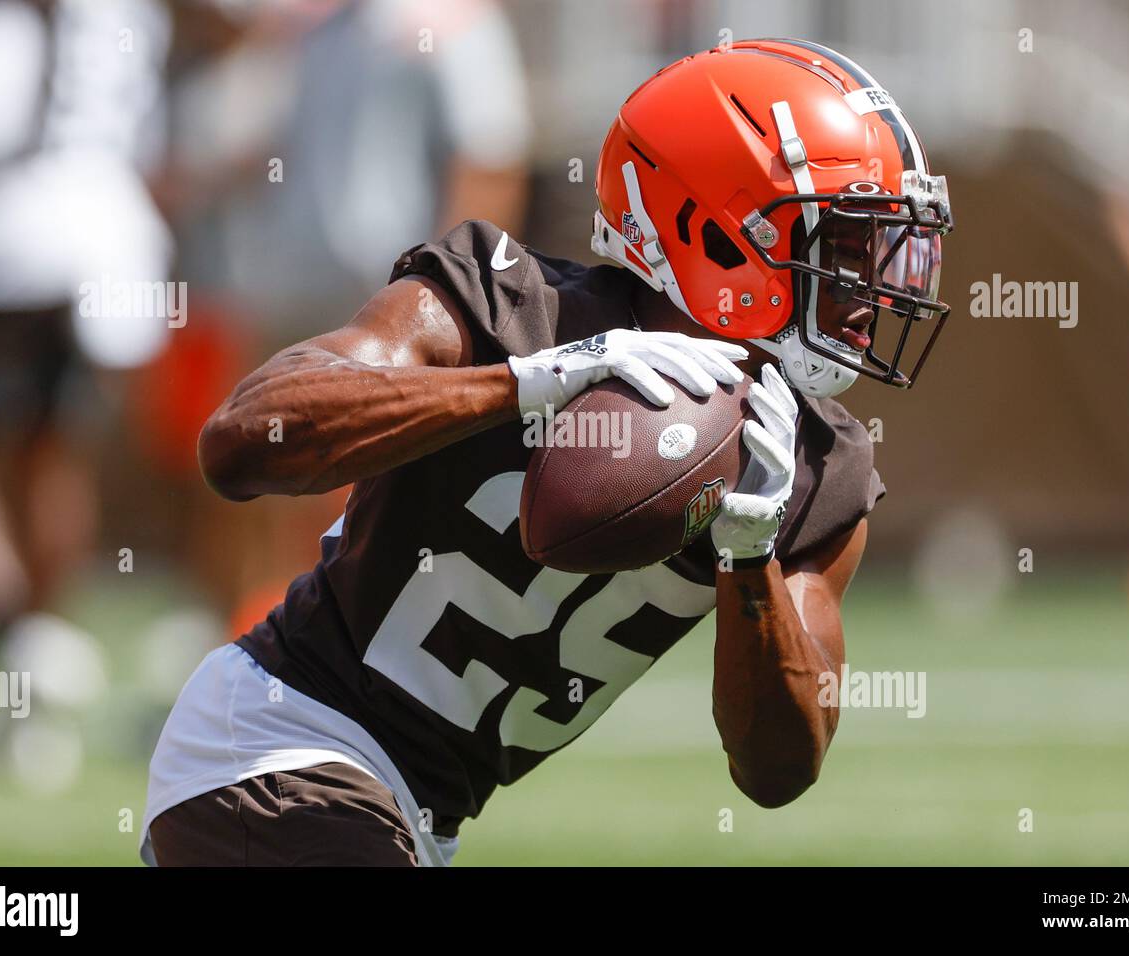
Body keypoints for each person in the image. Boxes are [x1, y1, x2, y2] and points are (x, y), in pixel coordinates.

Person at [142, 38, 953, 866]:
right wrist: (526, 383)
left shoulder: (818, 471)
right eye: (845, 243)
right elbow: (242, 442)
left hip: (410, 816)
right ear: (711, 235)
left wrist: (752, 564)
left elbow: (780, 768)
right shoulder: (507, 307)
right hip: (278, 745)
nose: (876, 281)